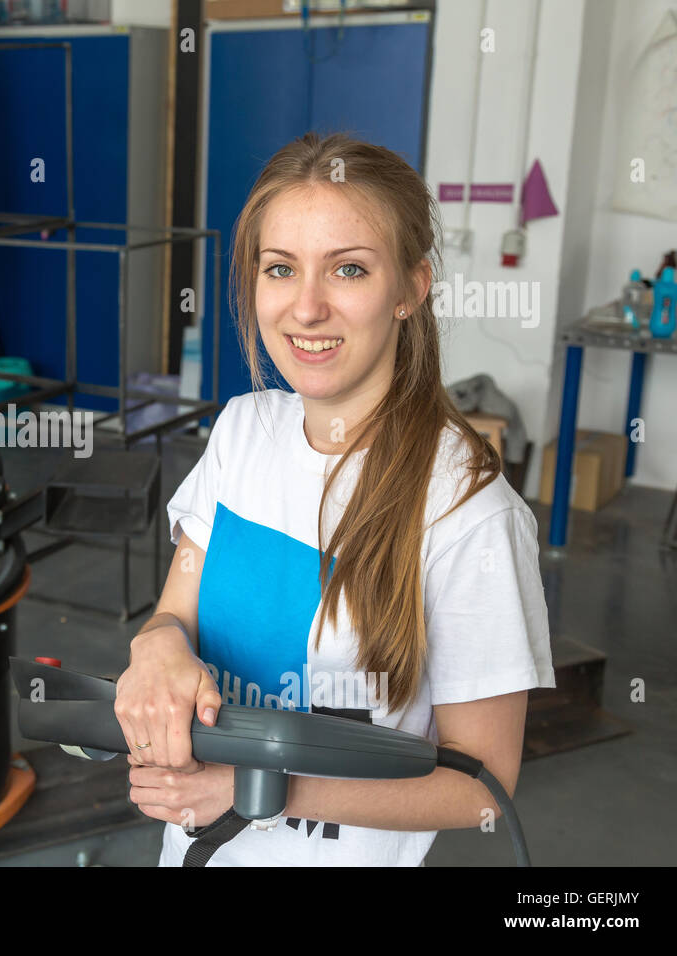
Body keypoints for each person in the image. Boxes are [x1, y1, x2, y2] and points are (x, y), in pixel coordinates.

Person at [116, 132, 555, 866]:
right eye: (281, 269)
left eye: (348, 269)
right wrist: (155, 646)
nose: (307, 307)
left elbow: (482, 788)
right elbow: (175, 611)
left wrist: (257, 788)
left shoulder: (468, 513)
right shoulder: (242, 434)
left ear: (412, 289)